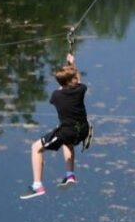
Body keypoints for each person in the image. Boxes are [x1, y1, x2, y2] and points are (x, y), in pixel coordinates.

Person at [20, 53, 91, 199]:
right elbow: (77, 81)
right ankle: (70, 175)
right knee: (68, 143)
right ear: (73, 80)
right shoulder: (81, 89)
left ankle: (37, 186)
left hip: (67, 131)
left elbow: (66, 85)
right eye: (75, 78)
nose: (77, 79)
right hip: (83, 131)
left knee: (36, 148)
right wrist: (72, 64)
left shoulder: (56, 96)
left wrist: (69, 71)